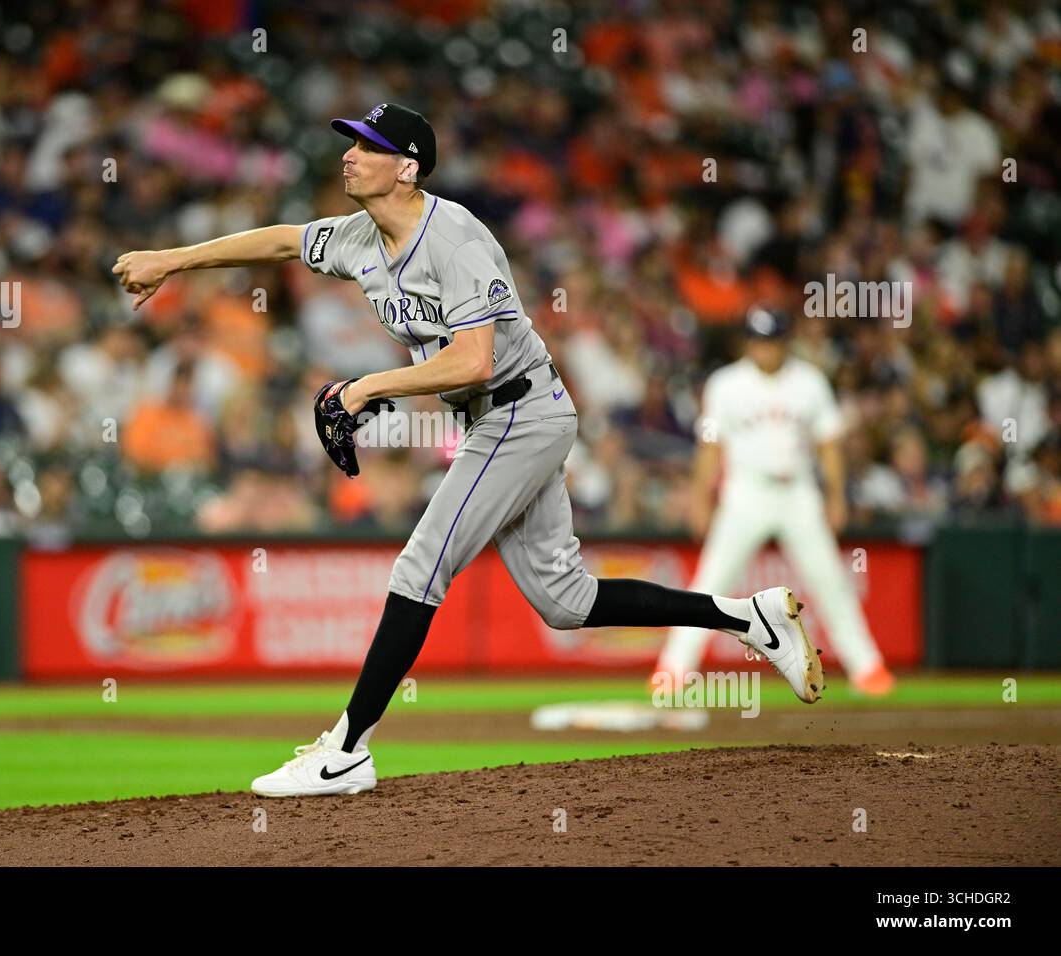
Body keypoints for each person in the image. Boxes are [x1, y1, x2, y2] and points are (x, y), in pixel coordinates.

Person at [114, 104, 824, 798]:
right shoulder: (362, 236)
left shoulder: (454, 239)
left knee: (420, 565)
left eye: (366, 145)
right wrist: (172, 261)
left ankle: (346, 748)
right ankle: (747, 617)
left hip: (519, 409)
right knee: (566, 602)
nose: (349, 154)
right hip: (503, 415)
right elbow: (280, 242)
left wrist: (364, 389)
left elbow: (475, 361)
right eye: (350, 142)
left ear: (409, 167)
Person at [654, 306, 895, 697]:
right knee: (711, 581)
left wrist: (835, 495)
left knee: (830, 581)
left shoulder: (810, 382)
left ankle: (867, 668)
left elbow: (829, 444)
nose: (765, 349)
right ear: (748, 342)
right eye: (758, 341)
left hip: (798, 492)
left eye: (772, 341)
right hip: (745, 492)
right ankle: (673, 669)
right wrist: (700, 497)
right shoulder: (726, 384)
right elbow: (710, 445)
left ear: (784, 341)